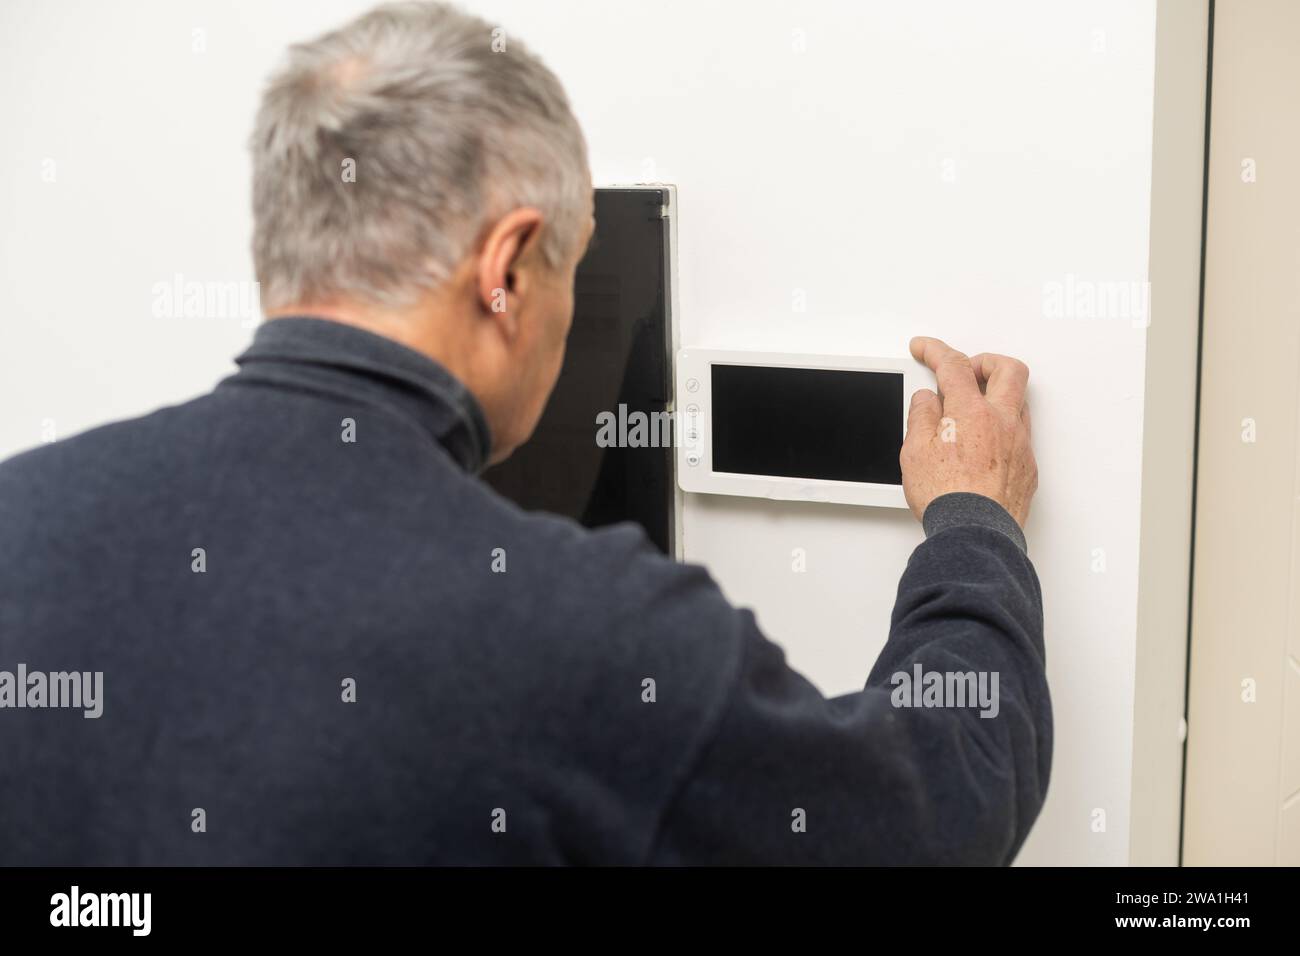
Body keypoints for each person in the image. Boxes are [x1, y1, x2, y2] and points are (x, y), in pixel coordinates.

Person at [0, 1, 1048, 865]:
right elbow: (939, 814)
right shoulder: (587, 631)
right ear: (506, 270)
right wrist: (972, 525)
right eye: (573, 270)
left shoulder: (20, 516)